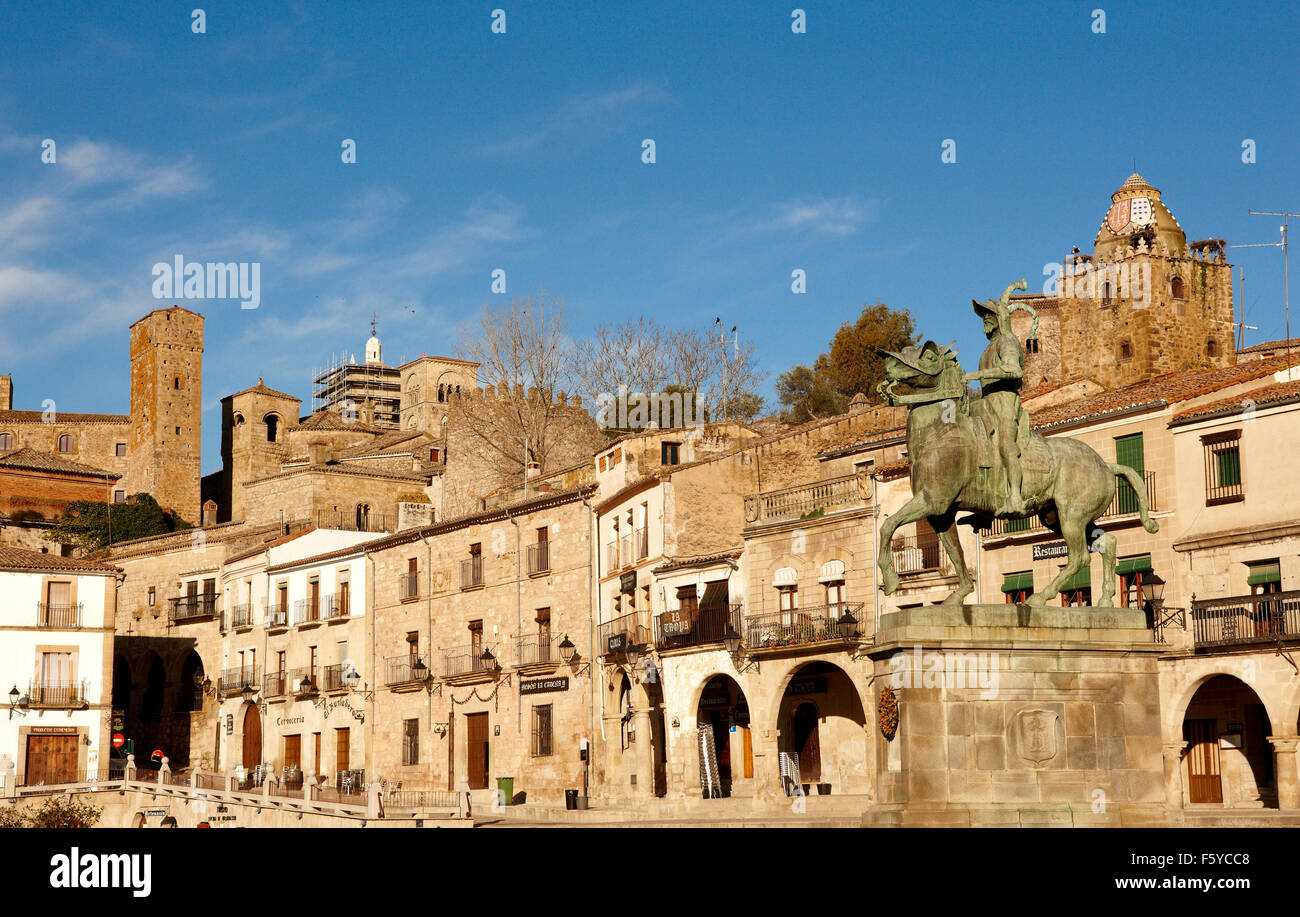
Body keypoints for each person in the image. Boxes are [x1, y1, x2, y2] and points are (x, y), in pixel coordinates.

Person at [963, 281, 1030, 516]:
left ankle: (1016, 498)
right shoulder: (987, 349)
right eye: (983, 315)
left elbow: (1014, 370)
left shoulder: (1007, 341)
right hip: (985, 405)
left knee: (1005, 446)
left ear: (1000, 317)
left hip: (1004, 404)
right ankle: (983, 500)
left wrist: (978, 374)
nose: (985, 319)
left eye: (989, 315)